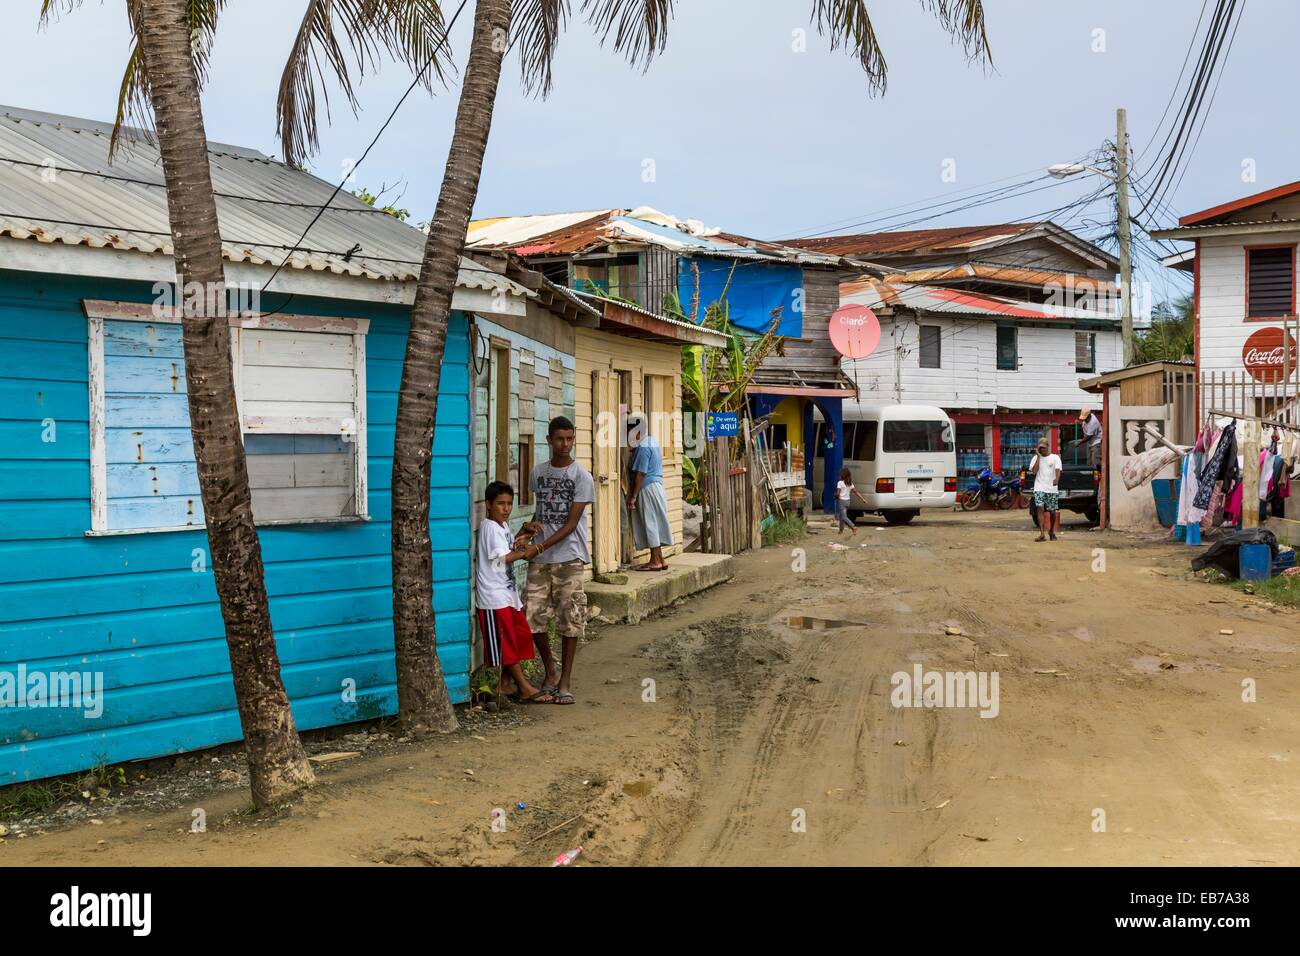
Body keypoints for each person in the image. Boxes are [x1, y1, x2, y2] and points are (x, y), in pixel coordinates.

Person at [520, 416, 594, 706]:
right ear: (549, 440)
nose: (565, 444)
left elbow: (571, 524)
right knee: (532, 616)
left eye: (570, 438)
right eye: (560, 439)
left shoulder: (581, 477)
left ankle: (565, 680)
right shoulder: (538, 473)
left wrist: (538, 549)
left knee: (570, 618)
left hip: (569, 557)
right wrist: (527, 531)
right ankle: (550, 671)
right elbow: (542, 513)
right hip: (540, 558)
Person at [475, 482, 554, 707]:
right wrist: (530, 550)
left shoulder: (502, 526)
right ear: (489, 505)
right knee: (505, 644)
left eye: (509, 503)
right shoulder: (490, 527)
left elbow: (509, 547)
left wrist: (523, 533)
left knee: (518, 637)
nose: (506, 508)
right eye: (501, 503)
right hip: (493, 597)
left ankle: (504, 685)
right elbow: (504, 557)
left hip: (508, 595)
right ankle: (525, 687)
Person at [626, 415, 673, 571]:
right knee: (656, 522)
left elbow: (641, 473)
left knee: (650, 523)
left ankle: (654, 561)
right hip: (657, 486)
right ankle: (660, 559)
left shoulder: (644, 447)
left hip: (647, 488)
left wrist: (633, 496)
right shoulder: (652, 441)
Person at [1030, 439, 1063, 542]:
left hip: (1051, 489)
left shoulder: (1055, 457)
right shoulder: (1036, 458)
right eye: (1040, 447)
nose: (1042, 449)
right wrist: (1039, 457)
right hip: (1039, 487)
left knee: (1052, 512)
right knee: (1040, 508)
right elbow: (1034, 471)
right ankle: (1042, 534)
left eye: (1044, 447)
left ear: (1048, 446)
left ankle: (1051, 531)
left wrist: (1057, 479)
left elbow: (1058, 470)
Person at [835, 467, 870, 535]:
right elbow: (856, 492)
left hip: (842, 502)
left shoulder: (840, 483)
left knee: (843, 517)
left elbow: (838, 493)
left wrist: (836, 496)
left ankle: (853, 526)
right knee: (842, 516)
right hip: (848, 502)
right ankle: (841, 530)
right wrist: (863, 499)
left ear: (842, 475)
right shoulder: (850, 484)